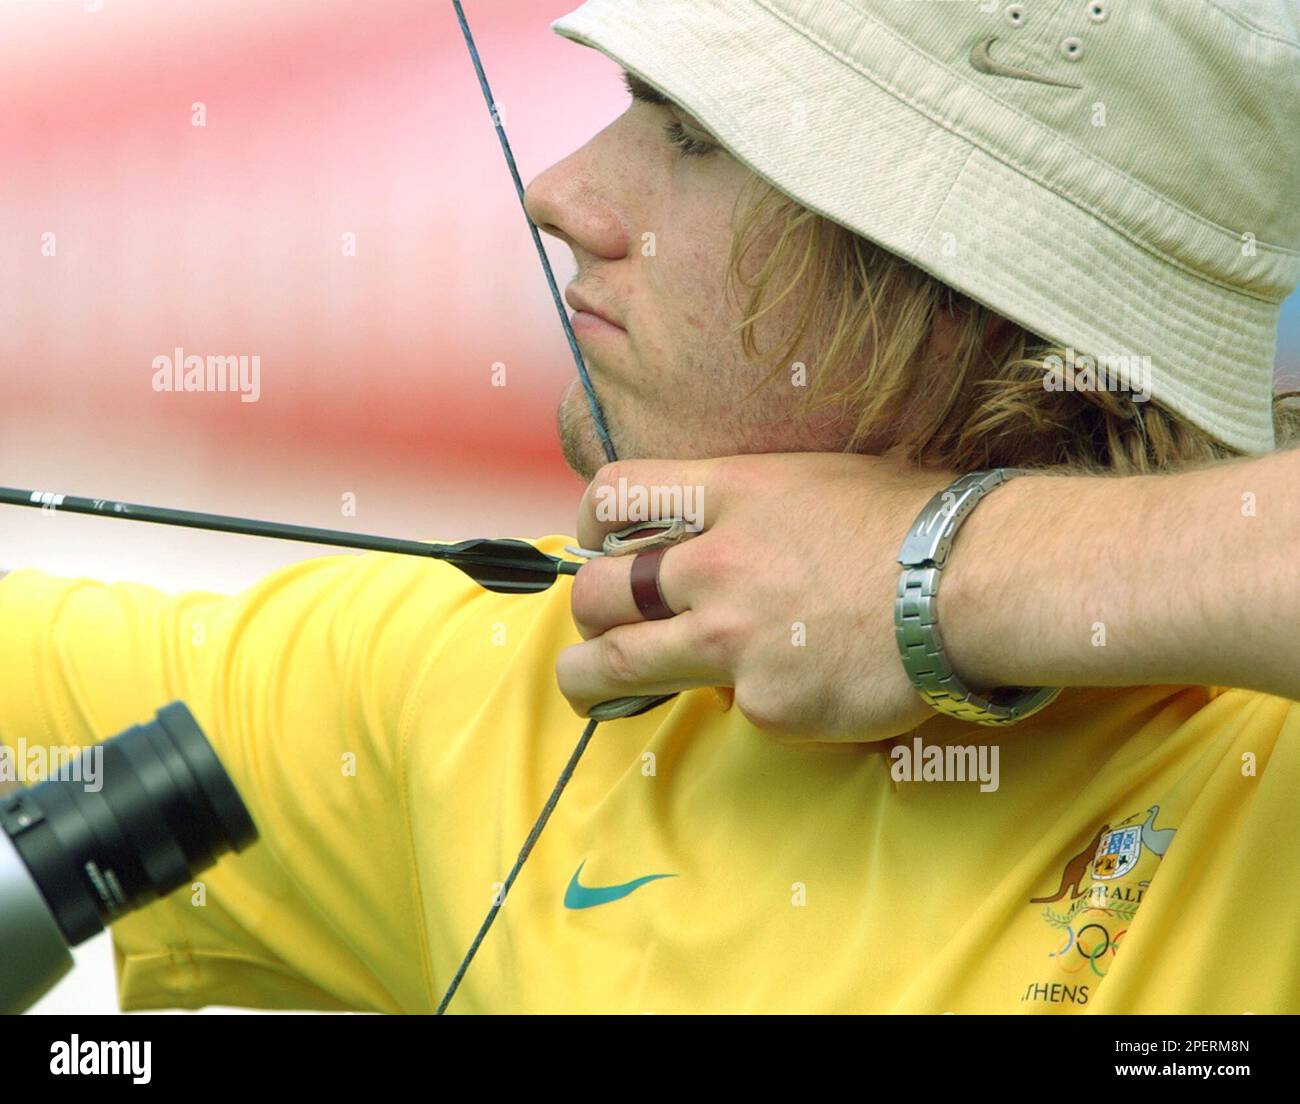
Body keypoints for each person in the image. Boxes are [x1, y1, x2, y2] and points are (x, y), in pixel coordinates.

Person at [2, 1, 1297, 1013]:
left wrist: (934, 574)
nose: (561, 192)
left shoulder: (1256, 797)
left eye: (696, 138)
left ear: (959, 290)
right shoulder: (519, 690)